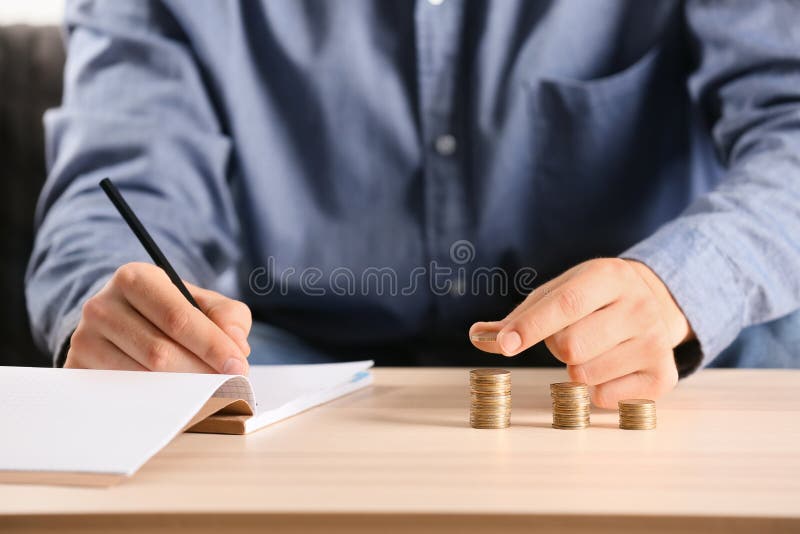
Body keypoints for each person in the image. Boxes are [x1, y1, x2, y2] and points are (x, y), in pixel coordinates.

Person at [25, 0, 800, 408]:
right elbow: (117, 187)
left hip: (643, 372)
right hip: (293, 382)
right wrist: (119, 305)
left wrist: (681, 282)